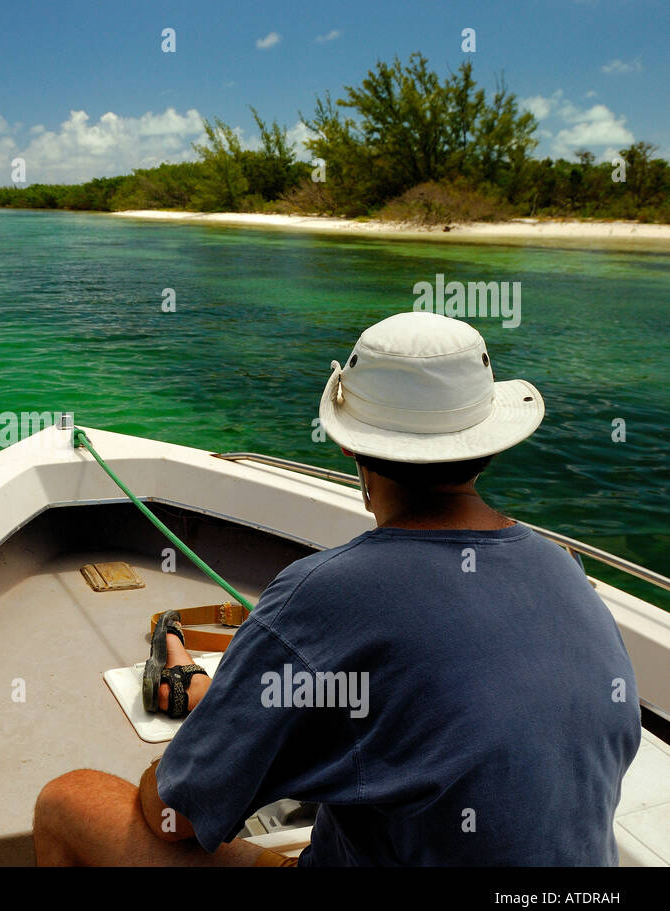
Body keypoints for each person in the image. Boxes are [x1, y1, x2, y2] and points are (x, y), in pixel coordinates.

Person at [33, 311, 642, 866]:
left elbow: (177, 817)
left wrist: (173, 770)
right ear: (486, 445)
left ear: (349, 445)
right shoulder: (564, 569)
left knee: (69, 802)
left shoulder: (322, 595)